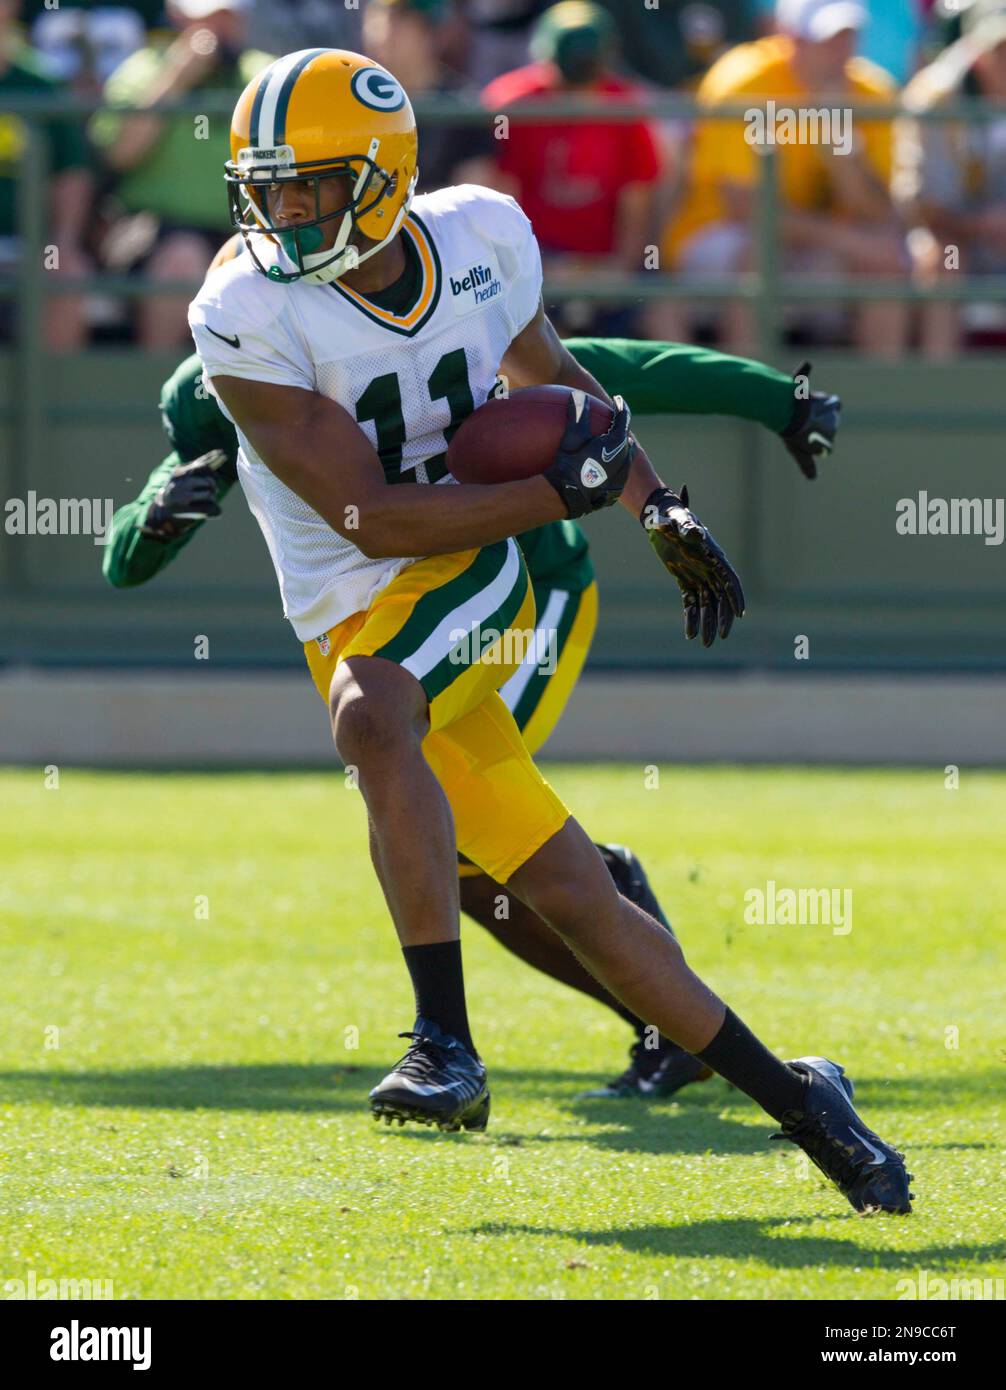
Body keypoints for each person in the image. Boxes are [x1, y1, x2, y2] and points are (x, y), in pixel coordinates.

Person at [185, 47, 911, 1215]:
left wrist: (652, 503)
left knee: (375, 716)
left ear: (381, 177)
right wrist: (563, 491)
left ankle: (443, 1043)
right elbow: (367, 516)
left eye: (307, 186)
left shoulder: (478, 237)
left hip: (470, 574)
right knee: (571, 895)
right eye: (264, 188)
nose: (280, 211)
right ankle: (804, 1101)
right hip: (361, 585)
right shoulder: (240, 309)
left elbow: (563, 383)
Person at [104, 248, 842, 1096]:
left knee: (460, 843)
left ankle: (643, 1008)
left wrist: (774, 400)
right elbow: (139, 537)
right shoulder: (234, 365)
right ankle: (653, 1007)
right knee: (456, 848)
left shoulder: (424, 322)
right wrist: (147, 527)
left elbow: (611, 369)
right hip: (399, 604)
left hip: (517, 579)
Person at [659, 0, 910, 356]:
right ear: (790, 38)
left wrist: (840, 151)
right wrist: (845, 240)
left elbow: (880, 212)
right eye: (826, 39)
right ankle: (751, 398)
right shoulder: (743, 82)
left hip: (815, 242)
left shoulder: (873, 91)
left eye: (848, 37)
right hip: (715, 237)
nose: (840, 51)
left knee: (885, 262)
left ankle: (882, 401)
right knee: (757, 255)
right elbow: (744, 208)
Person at [89, 0, 271, 347]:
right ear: (177, 16)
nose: (218, 30)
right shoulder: (142, 69)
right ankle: (159, 389)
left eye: (227, 18)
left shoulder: (264, 74)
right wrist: (176, 78)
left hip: (249, 232)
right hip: (149, 230)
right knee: (181, 258)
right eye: (207, 19)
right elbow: (119, 153)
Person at [477, 1, 663, 336]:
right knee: (529, 327)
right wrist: (538, 269)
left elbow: (637, 204)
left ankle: (699, 390)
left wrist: (618, 269)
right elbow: (501, 208)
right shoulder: (511, 104)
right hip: (536, 259)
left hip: (608, 259)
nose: (578, 87)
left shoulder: (626, 108)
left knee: (666, 304)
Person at [896, 0, 1006, 355]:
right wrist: (984, 226)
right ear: (977, 54)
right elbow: (925, 209)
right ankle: (934, 393)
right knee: (945, 262)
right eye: (1001, 50)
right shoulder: (935, 99)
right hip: (959, 243)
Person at [0, 0, 94, 349]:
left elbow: (70, 174)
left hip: (29, 247)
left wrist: (62, 241)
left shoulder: (41, 83)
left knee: (66, 271)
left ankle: (53, 399)